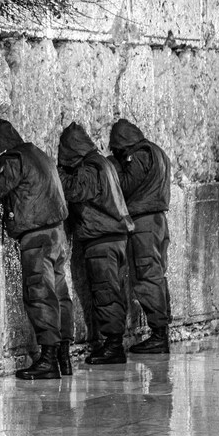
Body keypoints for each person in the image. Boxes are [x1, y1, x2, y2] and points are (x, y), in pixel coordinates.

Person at [0, 119, 72, 380]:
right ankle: (63, 357)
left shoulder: (13, 159)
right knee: (60, 293)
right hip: (57, 233)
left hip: (37, 236)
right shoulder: (39, 154)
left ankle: (49, 359)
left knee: (40, 294)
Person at [56, 123, 134, 365]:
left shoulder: (90, 167)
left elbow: (72, 190)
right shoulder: (104, 163)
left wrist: (57, 172)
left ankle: (113, 346)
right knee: (112, 291)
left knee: (106, 292)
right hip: (114, 237)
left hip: (102, 239)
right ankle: (113, 343)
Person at [108, 119, 172, 353]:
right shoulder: (157, 151)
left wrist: (113, 165)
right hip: (157, 220)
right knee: (156, 273)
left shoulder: (140, 155)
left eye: (116, 150)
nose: (115, 153)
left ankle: (158, 334)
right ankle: (161, 330)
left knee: (147, 275)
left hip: (144, 222)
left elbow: (125, 184)